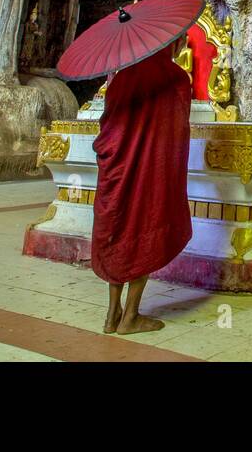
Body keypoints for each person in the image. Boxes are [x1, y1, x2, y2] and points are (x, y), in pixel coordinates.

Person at [91, 45, 193, 334]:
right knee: (143, 232)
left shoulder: (121, 79)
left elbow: (107, 125)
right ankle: (131, 315)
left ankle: (112, 314)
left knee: (117, 231)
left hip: (116, 172)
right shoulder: (174, 78)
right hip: (151, 174)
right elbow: (176, 129)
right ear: (170, 43)